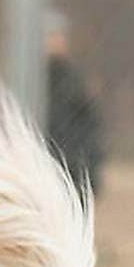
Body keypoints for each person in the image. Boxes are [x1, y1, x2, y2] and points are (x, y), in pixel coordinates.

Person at [44, 11, 104, 195]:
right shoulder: (27, 83)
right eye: (50, 36)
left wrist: (87, 174)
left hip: (68, 173)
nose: (56, 42)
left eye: (59, 36)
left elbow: (90, 129)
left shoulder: (74, 84)